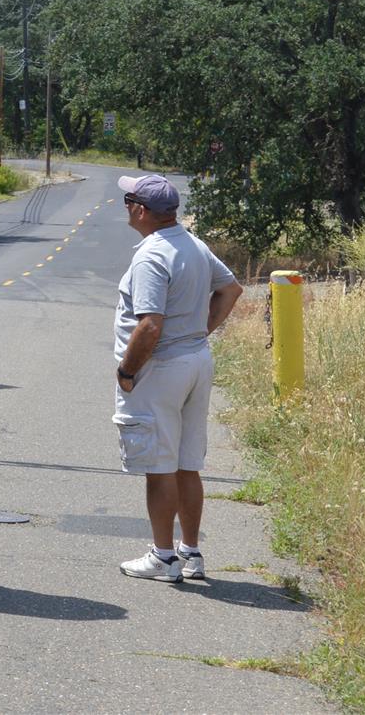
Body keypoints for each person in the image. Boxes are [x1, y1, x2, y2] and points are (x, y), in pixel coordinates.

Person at [111, 172, 242, 583]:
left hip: (162, 367)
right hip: (195, 360)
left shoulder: (151, 256)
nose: (127, 207)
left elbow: (149, 325)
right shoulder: (194, 244)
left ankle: (163, 557)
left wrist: (127, 371)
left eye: (128, 200)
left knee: (159, 465)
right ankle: (191, 551)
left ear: (141, 210)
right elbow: (231, 289)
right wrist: (201, 331)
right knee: (187, 463)